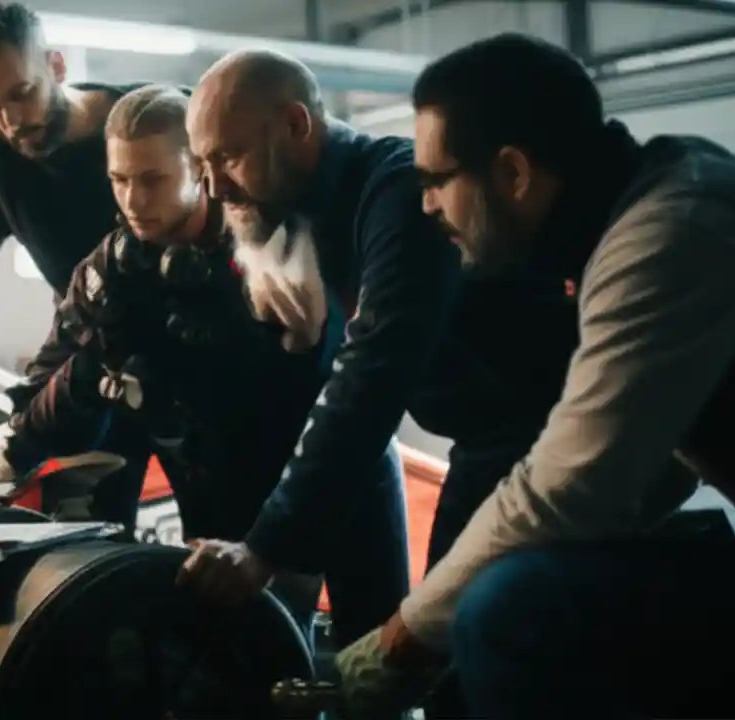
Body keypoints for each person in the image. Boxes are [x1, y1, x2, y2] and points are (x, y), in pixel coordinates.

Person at [324, 33, 735, 719]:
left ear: (513, 173)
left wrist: (401, 639)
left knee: (507, 612)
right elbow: (649, 462)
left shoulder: (667, 234)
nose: (426, 207)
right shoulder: (645, 206)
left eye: (436, 181)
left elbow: (571, 485)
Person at [175, 49, 581, 660]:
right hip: (488, 444)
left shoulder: (396, 191)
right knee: (450, 656)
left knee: (458, 650)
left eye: (228, 157)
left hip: (542, 441)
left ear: (295, 124)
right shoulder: (313, 209)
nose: (213, 187)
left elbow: (375, 367)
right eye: (202, 164)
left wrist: (265, 547)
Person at [3, 82, 335, 629]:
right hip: (201, 489)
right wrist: (92, 373)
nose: (133, 201)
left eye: (153, 179)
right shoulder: (110, 270)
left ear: (200, 168)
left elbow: (329, 392)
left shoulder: (272, 246)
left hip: (299, 484)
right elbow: (37, 400)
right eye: (119, 180)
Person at [0, 2, 163, 530]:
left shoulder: (150, 119)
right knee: (89, 537)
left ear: (57, 66)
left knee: (223, 537)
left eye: (22, 94)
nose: (12, 121)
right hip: (96, 359)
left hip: (194, 351)